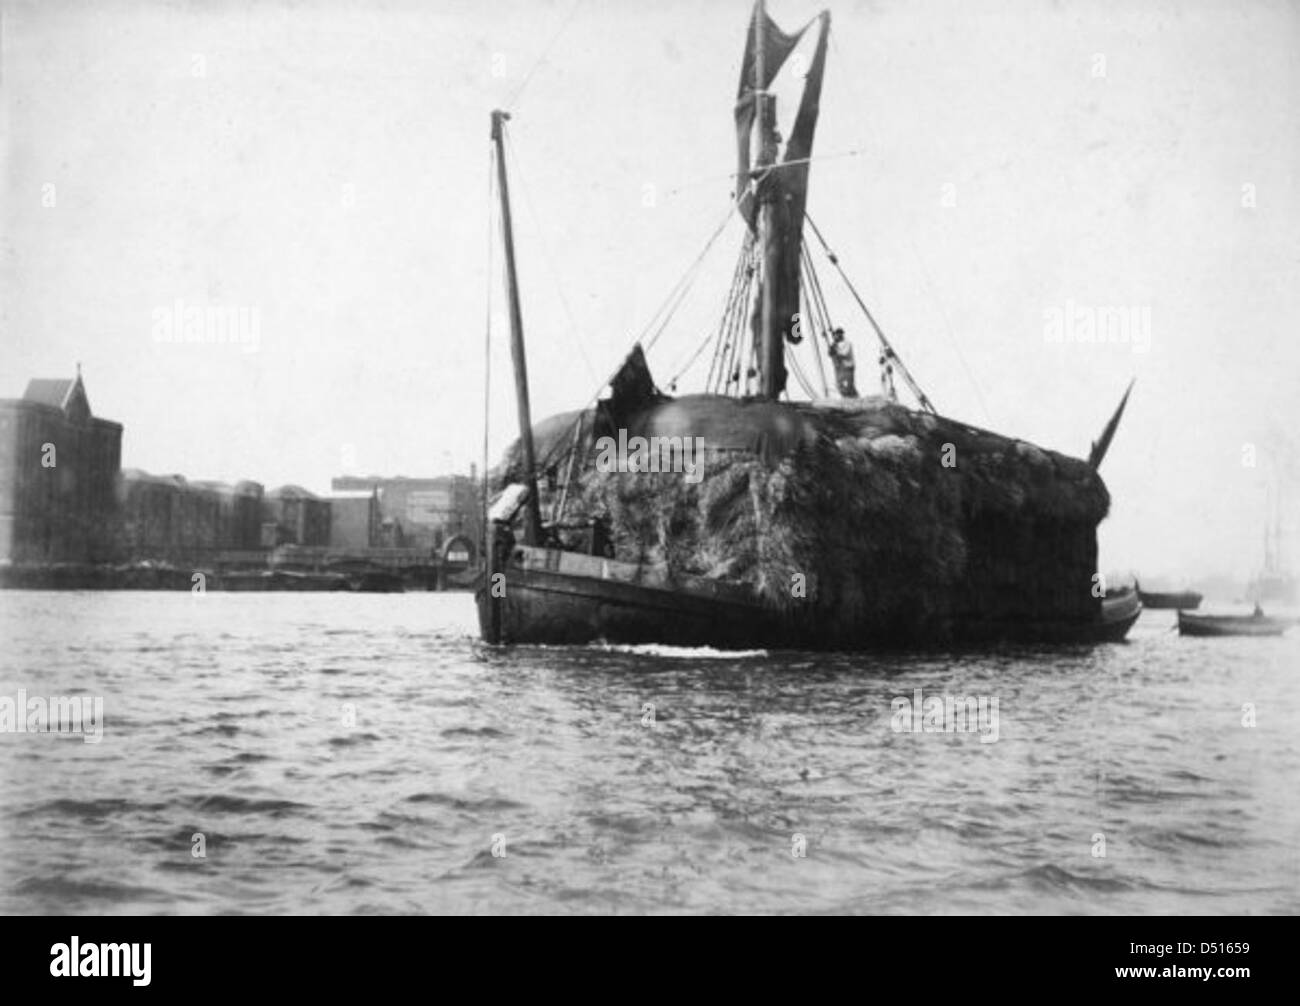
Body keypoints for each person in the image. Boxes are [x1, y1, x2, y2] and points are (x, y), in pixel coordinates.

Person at [827, 327, 858, 398]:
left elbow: (845, 353)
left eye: (838, 334)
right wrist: (832, 348)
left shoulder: (847, 343)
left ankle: (854, 397)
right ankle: (847, 398)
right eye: (836, 334)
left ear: (841, 334)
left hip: (848, 366)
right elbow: (830, 354)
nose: (837, 336)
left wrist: (836, 351)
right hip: (839, 367)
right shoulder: (835, 344)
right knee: (839, 384)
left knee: (849, 385)